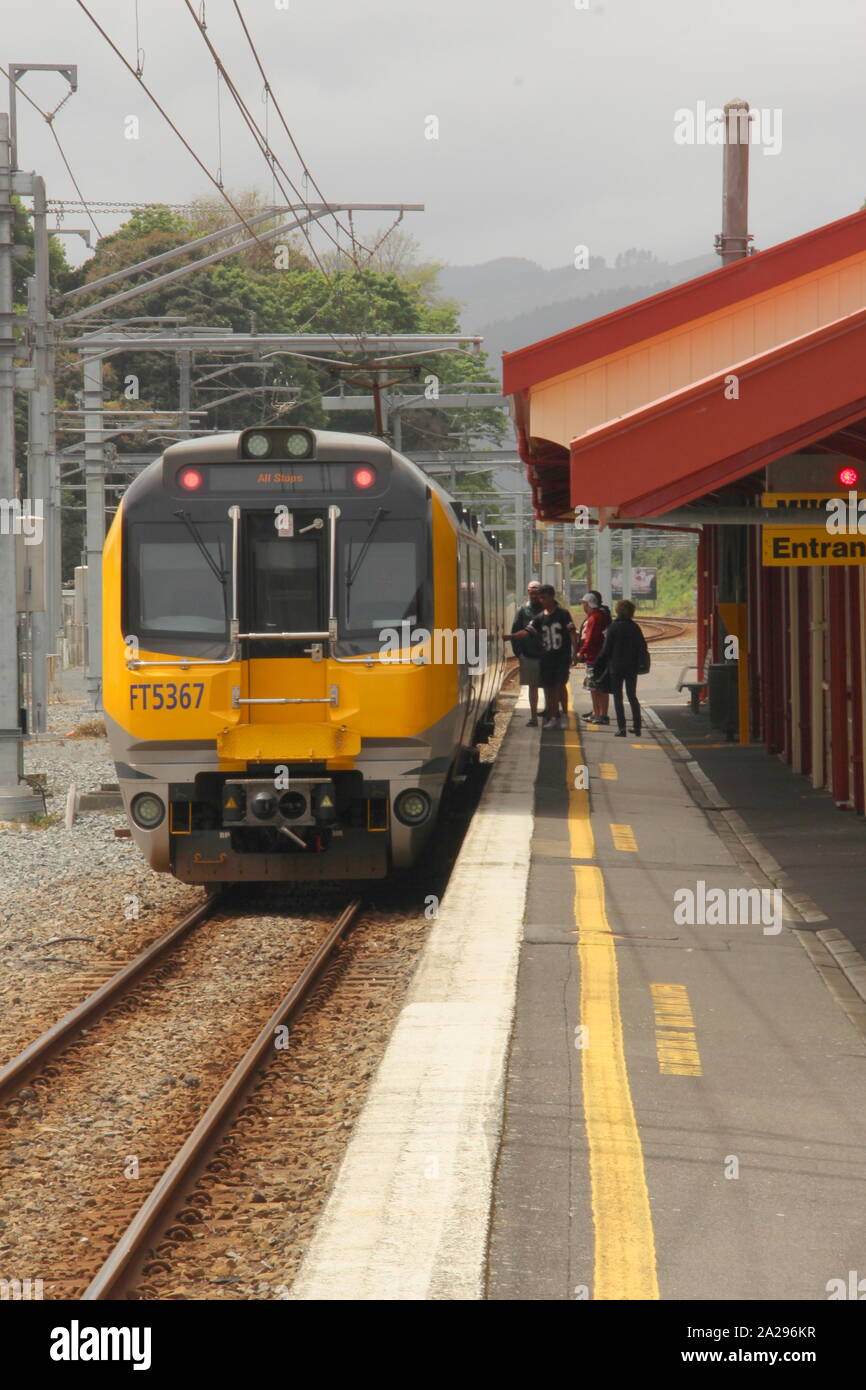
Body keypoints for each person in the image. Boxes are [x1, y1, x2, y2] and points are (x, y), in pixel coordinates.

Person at [508, 584, 578, 729]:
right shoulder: (540, 616)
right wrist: (511, 637)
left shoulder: (563, 614)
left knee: (560, 686)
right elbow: (526, 631)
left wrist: (574, 651)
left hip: (561, 657)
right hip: (547, 658)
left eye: (543, 598)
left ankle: (564, 715)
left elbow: (572, 632)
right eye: (540, 598)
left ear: (552, 597)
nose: (541, 601)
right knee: (550, 687)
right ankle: (552, 716)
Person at [591, 598, 649, 737]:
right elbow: (642, 646)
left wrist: (598, 663)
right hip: (631, 667)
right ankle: (637, 727)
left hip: (615, 667)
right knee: (632, 696)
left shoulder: (613, 627)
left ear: (618, 611)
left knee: (618, 696)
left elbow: (606, 649)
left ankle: (622, 728)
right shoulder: (635, 627)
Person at [511, 580, 545, 727]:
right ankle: (533, 716)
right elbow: (515, 631)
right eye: (531, 592)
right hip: (529, 654)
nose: (533, 595)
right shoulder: (523, 610)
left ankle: (550, 713)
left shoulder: (547, 610)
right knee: (533, 686)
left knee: (549, 686)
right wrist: (519, 653)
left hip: (547, 655)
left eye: (536, 593)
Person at [576, 592, 610, 725]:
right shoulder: (598, 616)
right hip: (597, 656)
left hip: (594, 657)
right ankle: (599, 713)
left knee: (596, 687)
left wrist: (581, 652)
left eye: (584, 603)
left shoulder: (594, 617)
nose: (583, 606)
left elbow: (590, 638)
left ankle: (600, 714)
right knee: (597, 686)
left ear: (588, 603)